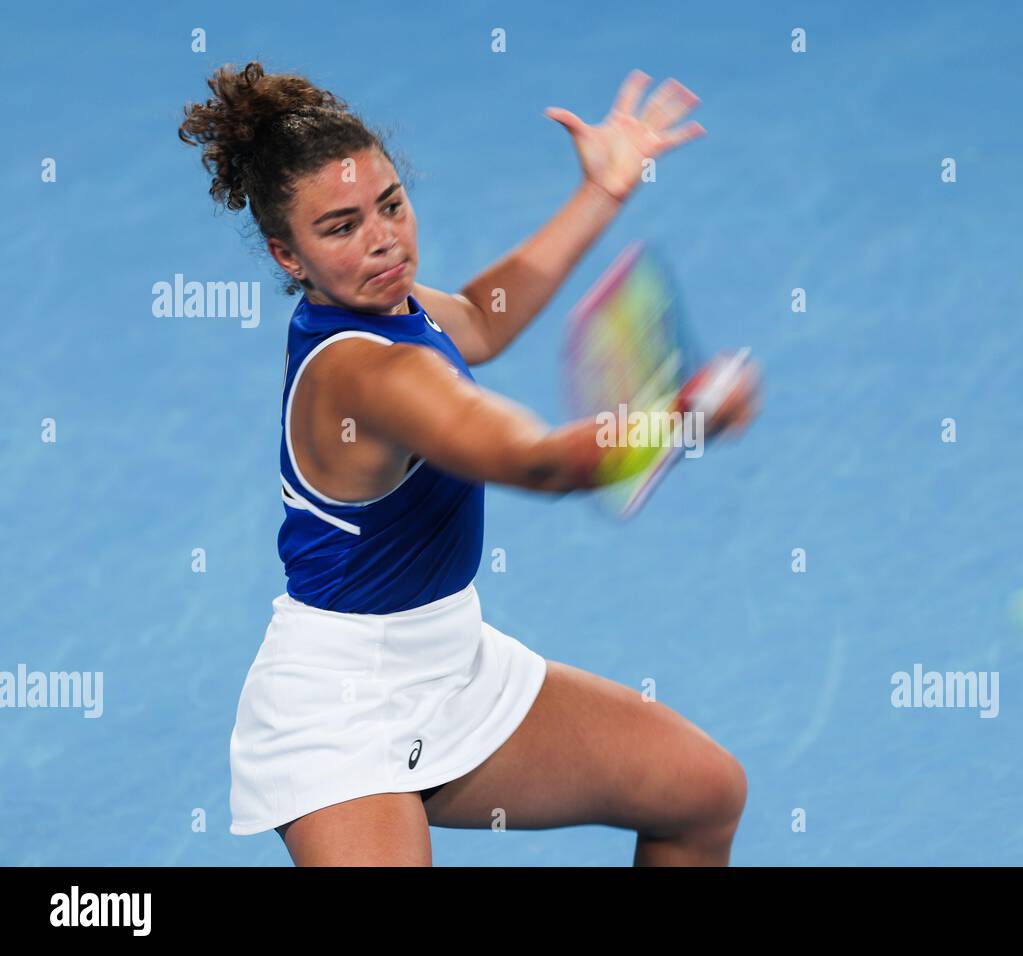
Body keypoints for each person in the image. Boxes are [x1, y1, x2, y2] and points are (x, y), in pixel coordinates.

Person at [178, 61, 761, 866]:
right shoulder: (368, 374)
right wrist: (680, 421)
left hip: (452, 664)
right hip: (339, 712)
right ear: (287, 256)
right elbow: (538, 462)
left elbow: (483, 321)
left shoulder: (396, 305)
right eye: (340, 228)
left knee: (700, 792)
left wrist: (602, 192)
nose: (383, 239)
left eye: (390, 205)